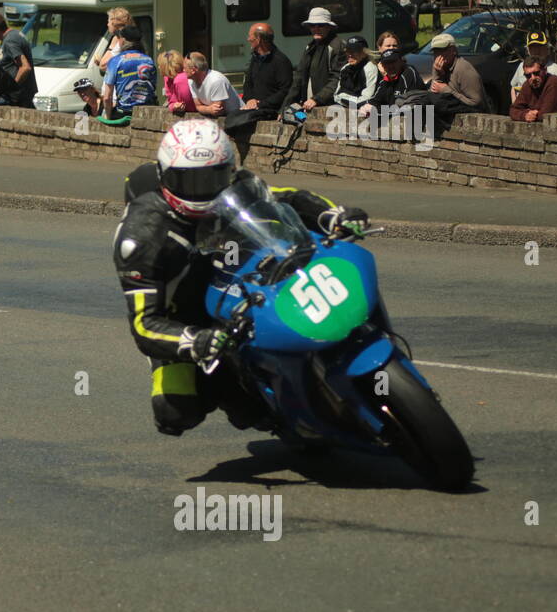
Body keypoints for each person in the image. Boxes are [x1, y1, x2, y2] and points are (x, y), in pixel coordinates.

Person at [114, 120, 369, 437]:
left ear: (229, 171)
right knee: (181, 410)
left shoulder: (237, 186)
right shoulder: (140, 239)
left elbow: (285, 198)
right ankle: (252, 400)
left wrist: (332, 214)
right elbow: (144, 324)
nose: (203, 189)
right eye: (190, 180)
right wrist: (193, 340)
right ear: (165, 177)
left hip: (246, 282)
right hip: (186, 317)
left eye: (214, 177)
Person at [282, 6, 346, 112]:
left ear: (329, 27)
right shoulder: (310, 47)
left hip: (330, 107)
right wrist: (285, 107)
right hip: (311, 105)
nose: (316, 29)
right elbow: (298, 79)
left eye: (320, 25)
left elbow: (337, 78)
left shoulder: (337, 46)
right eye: (312, 26)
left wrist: (317, 99)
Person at [426, 31, 486, 132]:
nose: (438, 55)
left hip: (475, 124)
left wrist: (447, 90)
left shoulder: (464, 69)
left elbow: (477, 103)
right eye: (436, 52)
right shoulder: (439, 66)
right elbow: (433, 93)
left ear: (453, 50)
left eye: (442, 50)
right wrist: (437, 73)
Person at [101, 24, 157, 118]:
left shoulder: (115, 61)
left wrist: (108, 116)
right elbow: (152, 88)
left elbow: (107, 97)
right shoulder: (149, 61)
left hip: (123, 113)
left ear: (122, 40)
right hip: (146, 114)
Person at [0, 10, 36, 108]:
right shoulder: (15, 34)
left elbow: (25, 67)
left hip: (19, 97)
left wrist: (12, 89)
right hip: (21, 94)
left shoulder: (10, 40)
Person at [239, 22, 293, 118]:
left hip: (270, 110)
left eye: (250, 36)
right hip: (254, 108)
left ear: (258, 39)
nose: (248, 39)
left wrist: (261, 104)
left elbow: (285, 90)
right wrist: (250, 100)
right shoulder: (255, 58)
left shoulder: (280, 61)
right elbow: (248, 84)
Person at [360, 47, 423, 116]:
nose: (390, 66)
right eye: (386, 63)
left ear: (401, 61)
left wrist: (376, 111)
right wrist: (363, 107)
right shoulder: (385, 81)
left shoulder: (408, 73)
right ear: (382, 65)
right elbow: (375, 100)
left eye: (393, 62)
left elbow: (407, 107)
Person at [509, 31, 557, 98]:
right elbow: (513, 88)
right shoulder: (521, 66)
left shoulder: (556, 70)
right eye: (532, 47)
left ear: (547, 48)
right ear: (528, 50)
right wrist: (514, 103)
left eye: (539, 46)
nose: (536, 50)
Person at [185, 52, 241, 116]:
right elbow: (198, 106)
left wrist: (206, 109)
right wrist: (208, 109)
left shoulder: (216, 81)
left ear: (193, 70)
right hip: (221, 118)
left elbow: (218, 112)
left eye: (185, 68)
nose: (183, 70)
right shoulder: (191, 81)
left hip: (238, 118)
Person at [332, 35, 378, 112]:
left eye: (354, 51)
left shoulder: (370, 68)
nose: (350, 55)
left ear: (364, 53)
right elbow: (336, 96)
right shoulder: (345, 69)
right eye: (347, 51)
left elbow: (366, 99)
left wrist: (345, 98)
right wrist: (352, 98)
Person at [158, 50, 196, 114]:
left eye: (160, 65)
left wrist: (176, 106)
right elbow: (171, 100)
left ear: (167, 67)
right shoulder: (167, 78)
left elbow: (188, 105)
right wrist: (174, 106)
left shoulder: (182, 79)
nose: (159, 67)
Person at [97, 7, 133, 73]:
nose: (107, 25)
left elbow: (103, 66)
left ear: (115, 24)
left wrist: (112, 45)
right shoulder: (128, 37)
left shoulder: (122, 41)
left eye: (109, 22)